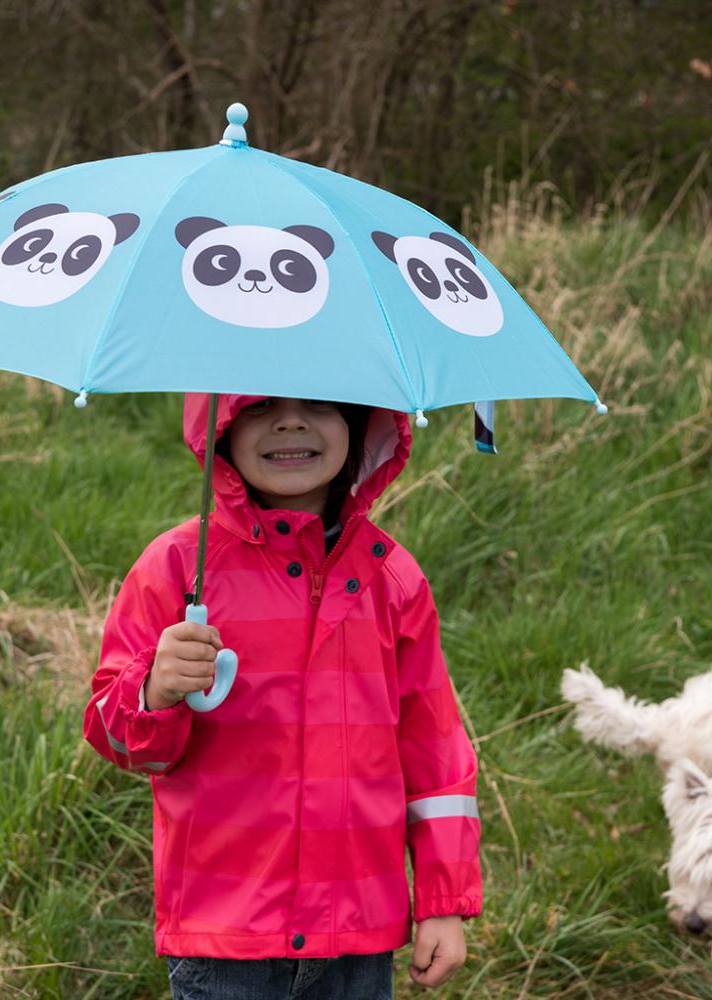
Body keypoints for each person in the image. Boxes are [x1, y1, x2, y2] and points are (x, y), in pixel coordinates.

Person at [84, 394, 481, 1000]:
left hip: (357, 933)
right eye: (260, 403)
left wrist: (442, 901)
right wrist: (154, 688)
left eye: (318, 403)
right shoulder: (176, 568)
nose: (290, 422)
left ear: (359, 422)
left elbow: (437, 758)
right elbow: (120, 740)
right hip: (225, 934)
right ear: (219, 426)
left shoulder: (393, 580)